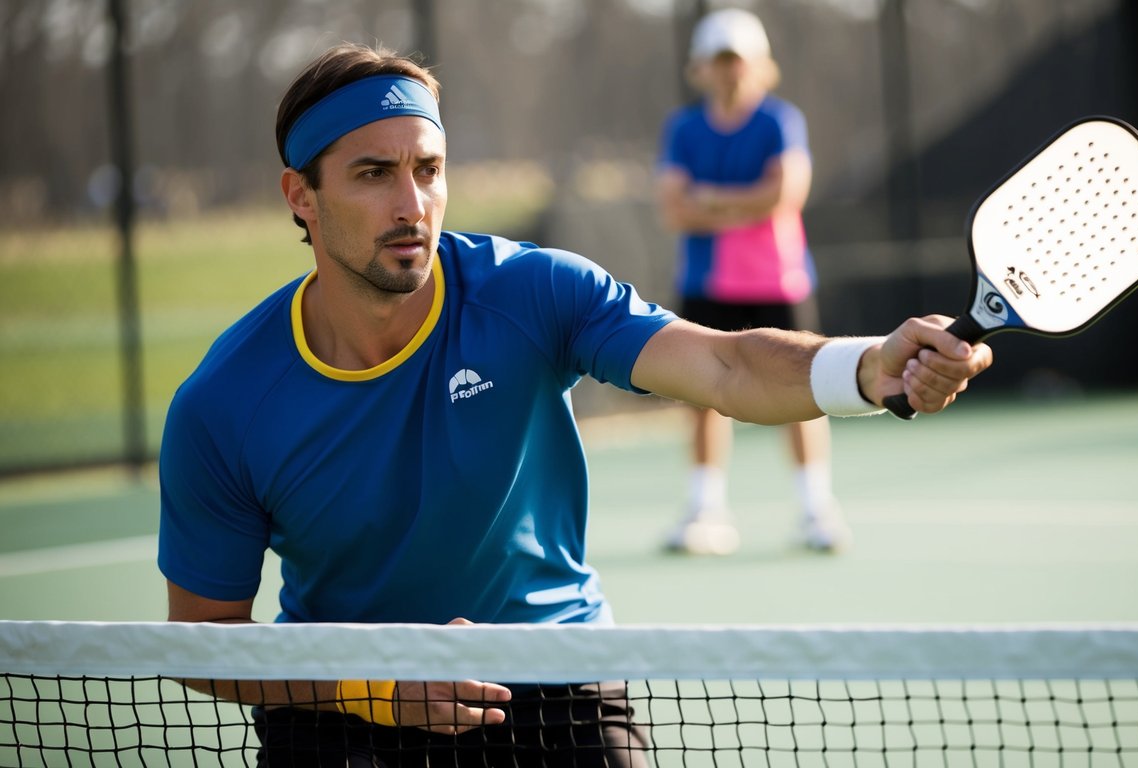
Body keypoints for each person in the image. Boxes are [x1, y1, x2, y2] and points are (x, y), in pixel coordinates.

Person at [156, 43, 992, 767]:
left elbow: (729, 365)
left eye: (428, 169)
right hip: (341, 708)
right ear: (300, 195)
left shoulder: (532, 292)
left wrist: (865, 367)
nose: (412, 205)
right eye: (373, 175)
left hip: (553, 680)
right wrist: (376, 683)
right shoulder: (224, 403)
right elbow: (204, 636)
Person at [655, 9, 841, 555]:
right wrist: (747, 203)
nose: (730, 72)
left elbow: (785, 195)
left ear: (761, 66)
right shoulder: (684, 128)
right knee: (700, 398)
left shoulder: (781, 121)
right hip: (705, 282)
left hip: (778, 282)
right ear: (701, 69)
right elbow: (673, 209)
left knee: (807, 391)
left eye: (738, 60)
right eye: (720, 61)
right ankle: (705, 510)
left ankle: (815, 510)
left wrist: (709, 199)